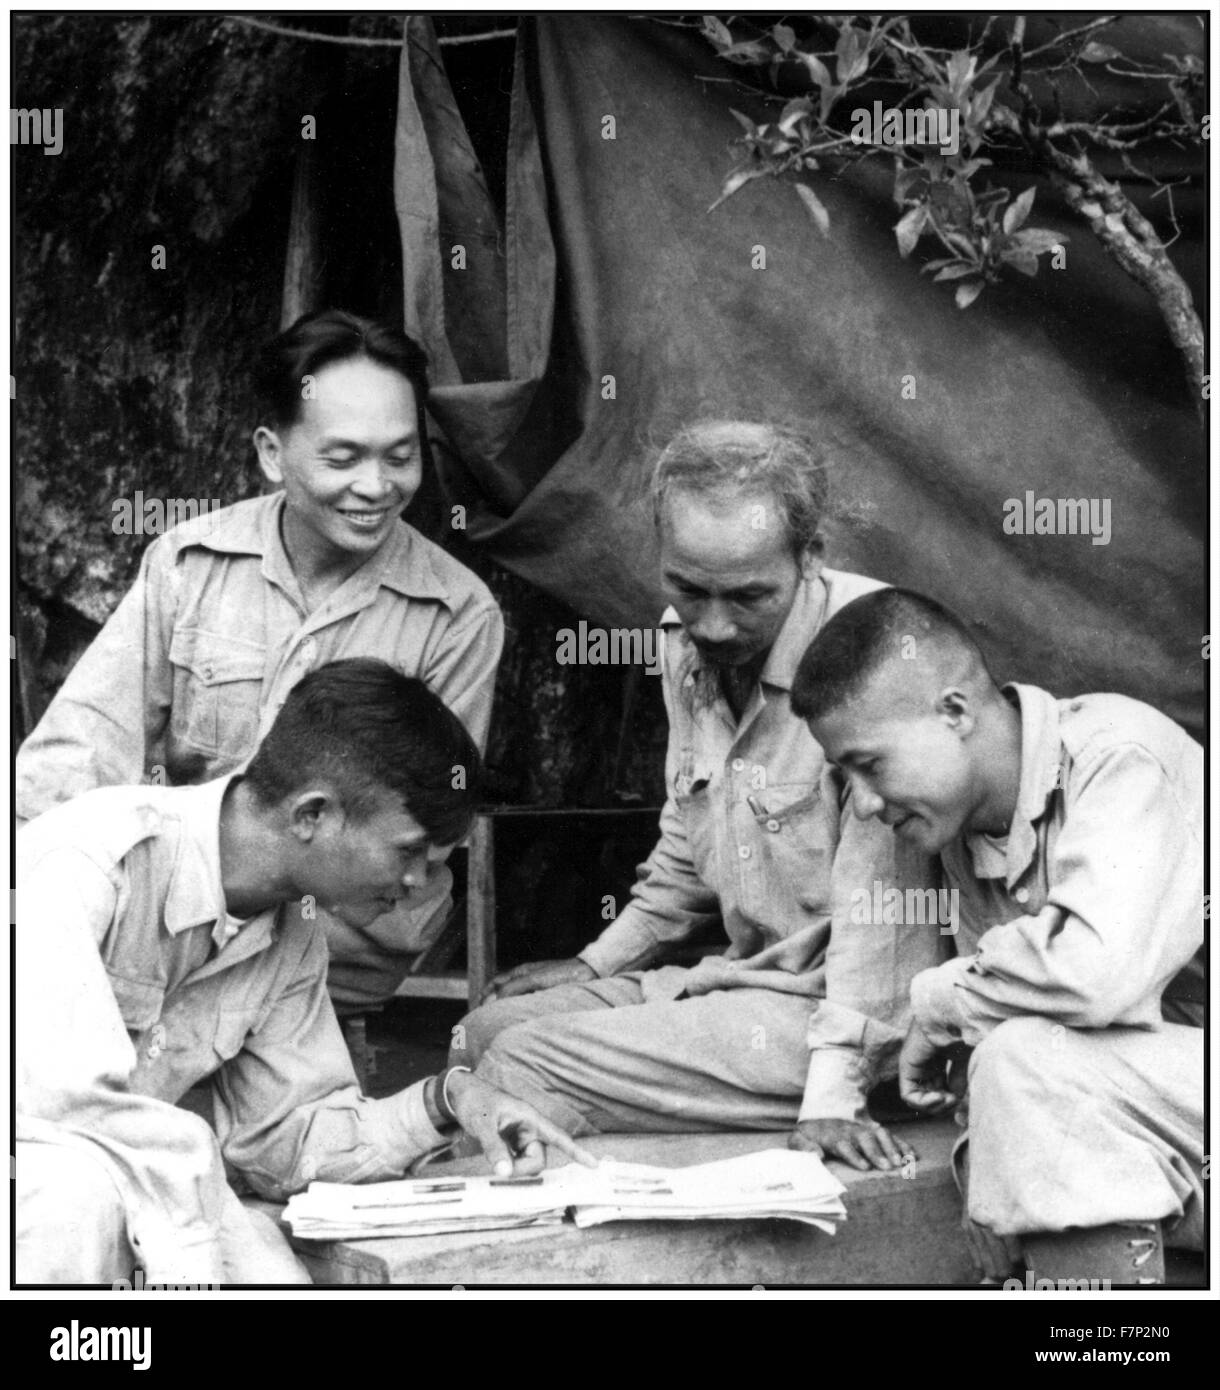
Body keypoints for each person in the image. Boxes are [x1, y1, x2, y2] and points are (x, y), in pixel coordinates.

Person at [16, 659, 592, 1286]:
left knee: (268, 1268)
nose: (419, 884)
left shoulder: (292, 934)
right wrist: (199, 1241)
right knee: (75, 1204)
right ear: (312, 814)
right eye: (409, 852)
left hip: (136, 1180)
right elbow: (61, 1110)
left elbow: (284, 1137)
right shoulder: (88, 864)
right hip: (40, 1177)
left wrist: (450, 1098)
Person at [452, 422, 936, 1166]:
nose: (713, 623)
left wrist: (834, 1099)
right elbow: (690, 830)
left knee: (523, 1060)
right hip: (747, 985)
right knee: (488, 1030)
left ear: (811, 557)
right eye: (688, 587)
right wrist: (597, 963)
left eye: (748, 596)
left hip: (850, 1018)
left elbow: (888, 922)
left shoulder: (869, 661)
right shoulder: (683, 643)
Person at [16, 309, 504, 1009]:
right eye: (343, 458)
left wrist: (221, 917)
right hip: (168, 918)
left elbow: (416, 833)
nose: (376, 486)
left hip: (341, 937)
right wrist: (53, 895)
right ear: (273, 453)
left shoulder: (457, 613)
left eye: (401, 457)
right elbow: (77, 756)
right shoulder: (189, 563)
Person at [790, 588, 1204, 1285]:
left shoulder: (1121, 757)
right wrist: (990, 1154)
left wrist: (939, 1000)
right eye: (844, 776)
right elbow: (1039, 1025)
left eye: (870, 764)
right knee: (1014, 1068)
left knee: (1021, 1063)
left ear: (954, 711)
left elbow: (1091, 975)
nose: (861, 802)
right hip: (1173, 1134)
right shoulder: (964, 826)